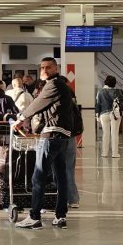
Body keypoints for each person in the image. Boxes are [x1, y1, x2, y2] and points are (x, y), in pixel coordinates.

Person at [12, 57, 77, 230]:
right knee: (60, 176)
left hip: (52, 136)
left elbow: (37, 104)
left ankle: (34, 217)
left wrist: (20, 118)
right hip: (63, 137)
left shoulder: (53, 84)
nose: (45, 70)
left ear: (56, 69)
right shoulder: (63, 86)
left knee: (38, 177)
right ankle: (60, 216)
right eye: (42, 67)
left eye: (48, 67)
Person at [95, 76, 123, 159]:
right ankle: (115, 153)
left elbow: (98, 104)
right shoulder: (118, 91)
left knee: (105, 133)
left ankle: (105, 153)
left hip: (103, 114)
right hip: (115, 114)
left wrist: (97, 115)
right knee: (114, 133)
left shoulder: (100, 91)